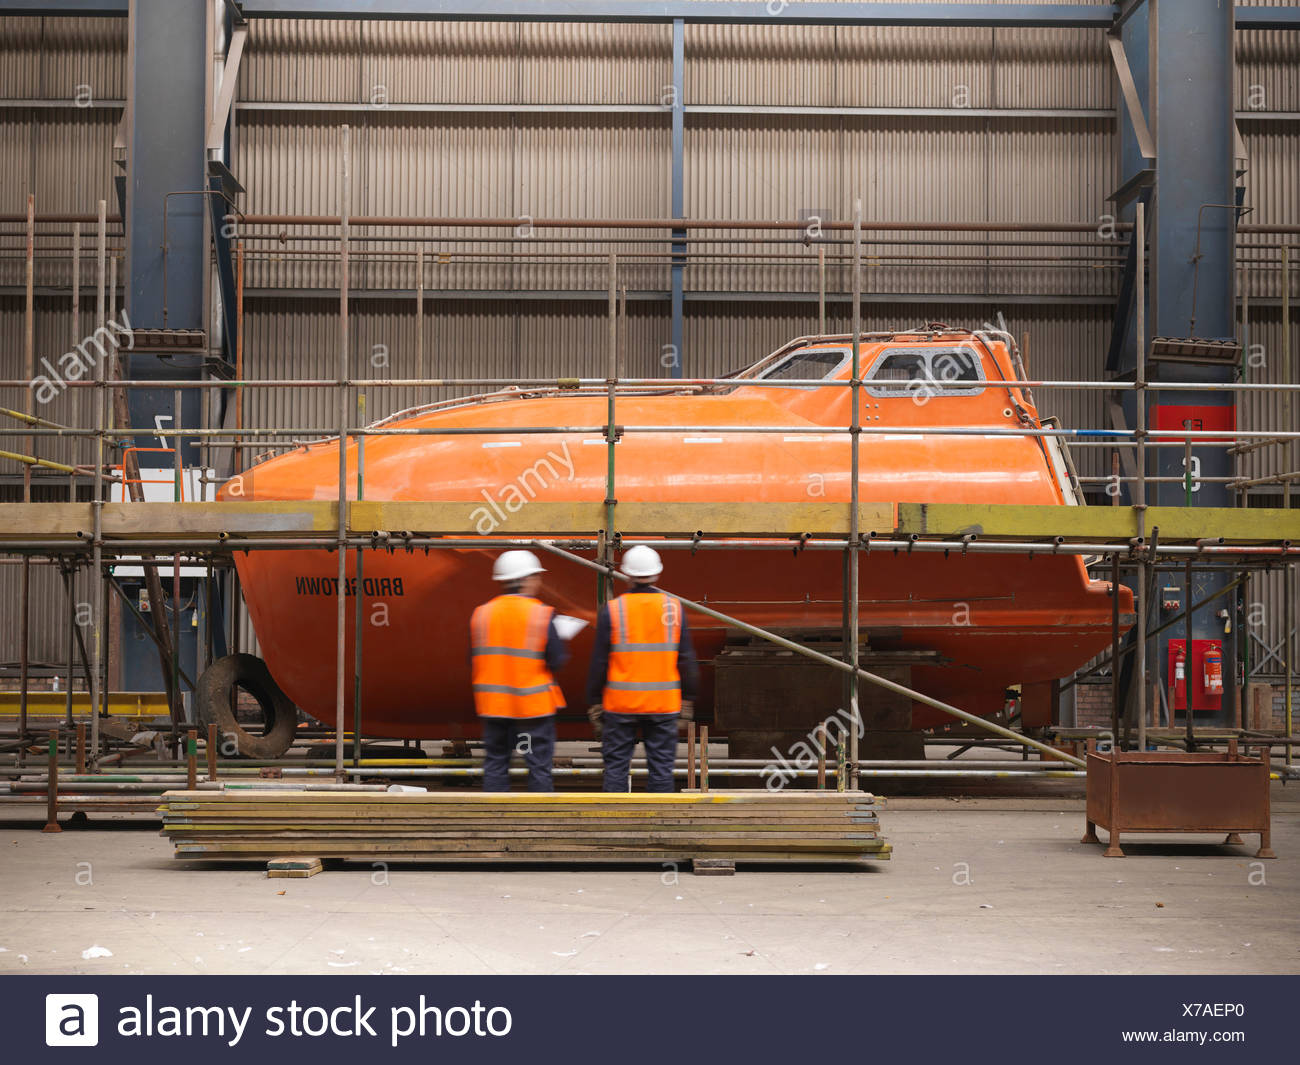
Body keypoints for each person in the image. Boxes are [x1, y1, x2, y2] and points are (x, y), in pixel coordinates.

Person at [586, 546, 698, 792]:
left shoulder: (614, 610)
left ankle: (615, 826)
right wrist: (688, 698)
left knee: (616, 768)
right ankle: (658, 827)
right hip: (663, 704)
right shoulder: (673, 607)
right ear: (657, 573)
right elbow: (687, 659)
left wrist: (594, 701)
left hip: (620, 704)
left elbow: (599, 662)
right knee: (661, 769)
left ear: (627, 575)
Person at [470, 550, 568, 792]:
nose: (538, 581)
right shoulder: (541, 614)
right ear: (525, 579)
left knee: (495, 765)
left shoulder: (482, 614)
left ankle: (494, 822)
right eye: (536, 576)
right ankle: (540, 824)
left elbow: (473, 659)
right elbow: (557, 659)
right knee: (538, 766)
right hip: (532, 711)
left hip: (494, 710)